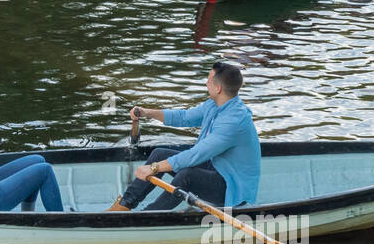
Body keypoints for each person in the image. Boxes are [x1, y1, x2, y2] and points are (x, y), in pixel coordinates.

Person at [108, 61, 260, 211]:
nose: (206, 84)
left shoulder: (234, 122)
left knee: (186, 175)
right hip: (216, 167)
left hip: (231, 187)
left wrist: (153, 168)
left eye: (209, 81)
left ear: (218, 88)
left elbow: (196, 154)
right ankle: (124, 206)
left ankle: (147, 217)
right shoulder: (215, 104)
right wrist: (146, 112)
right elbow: (183, 117)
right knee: (159, 154)